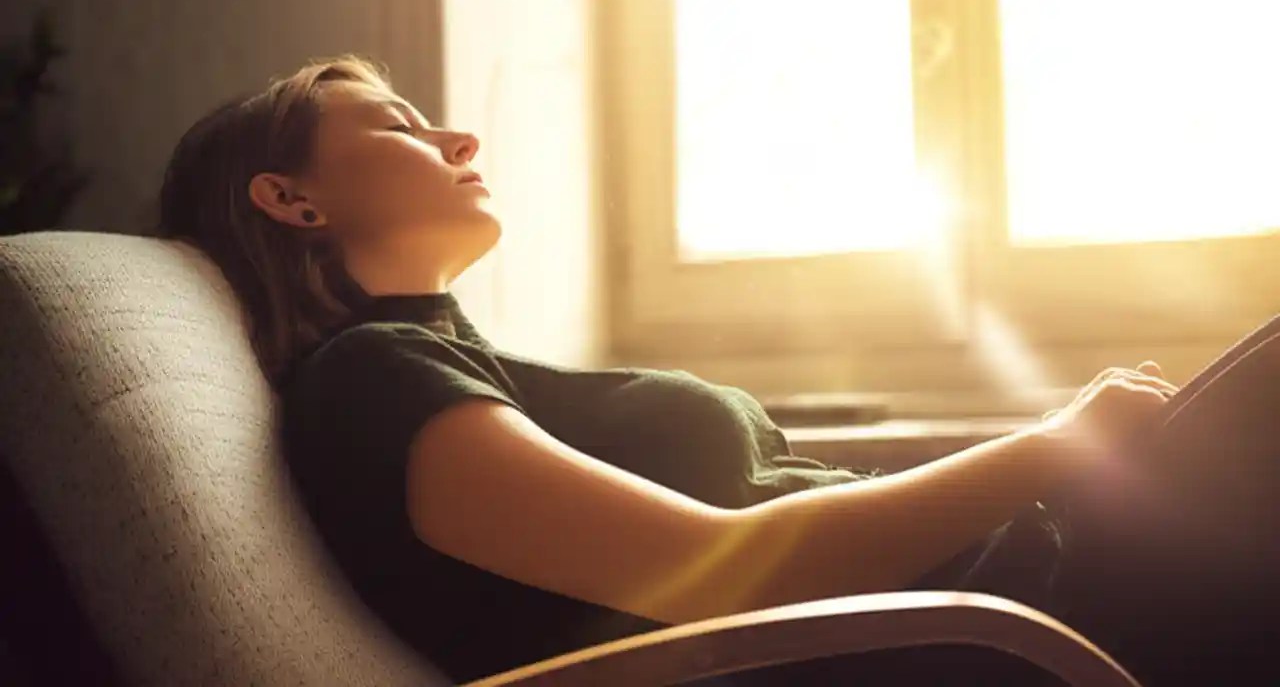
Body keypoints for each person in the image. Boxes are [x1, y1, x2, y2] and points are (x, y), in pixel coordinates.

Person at [152, 55, 1280, 686]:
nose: (462, 143)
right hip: (1025, 629)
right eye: (400, 125)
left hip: (1026, 590)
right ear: (290, 198)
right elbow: (721, 573)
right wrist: (1047, 446)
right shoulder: (372, 383)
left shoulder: (455, 363)